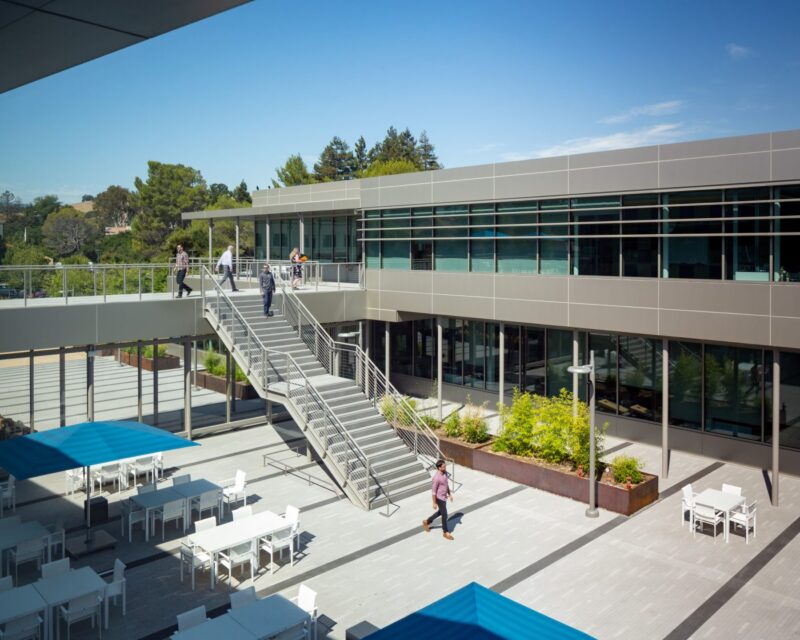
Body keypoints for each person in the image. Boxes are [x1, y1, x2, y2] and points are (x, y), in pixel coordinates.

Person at [422, 459, 454, 540]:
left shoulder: (445, 473)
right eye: (443, 466)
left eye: (445, 466)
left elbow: (446, 485)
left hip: (444, 497)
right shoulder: (436, 478)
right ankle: (445, 532)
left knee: (440, 512)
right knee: (445, 514)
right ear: (439, 468)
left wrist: (449, 494)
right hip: (439, 498)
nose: (445, 467)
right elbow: (433, 492)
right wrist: (434, 503)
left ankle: (427, 522)